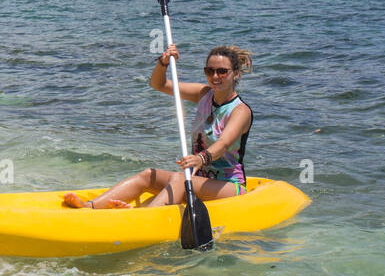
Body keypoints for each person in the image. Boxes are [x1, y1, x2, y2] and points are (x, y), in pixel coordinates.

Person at [63, 43, 253, 209]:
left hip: (228, 186)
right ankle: (90, 206)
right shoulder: (203, 94)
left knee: (179, 179)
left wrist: (200, 159)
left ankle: (144, 218)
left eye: (222, 71)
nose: (215, 76)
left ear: (235, 73)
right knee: (148, 175)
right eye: (209, 71)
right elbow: (158, 84)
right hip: (197, 180)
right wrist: (163, 62)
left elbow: (224, 144)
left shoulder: (240, 111)